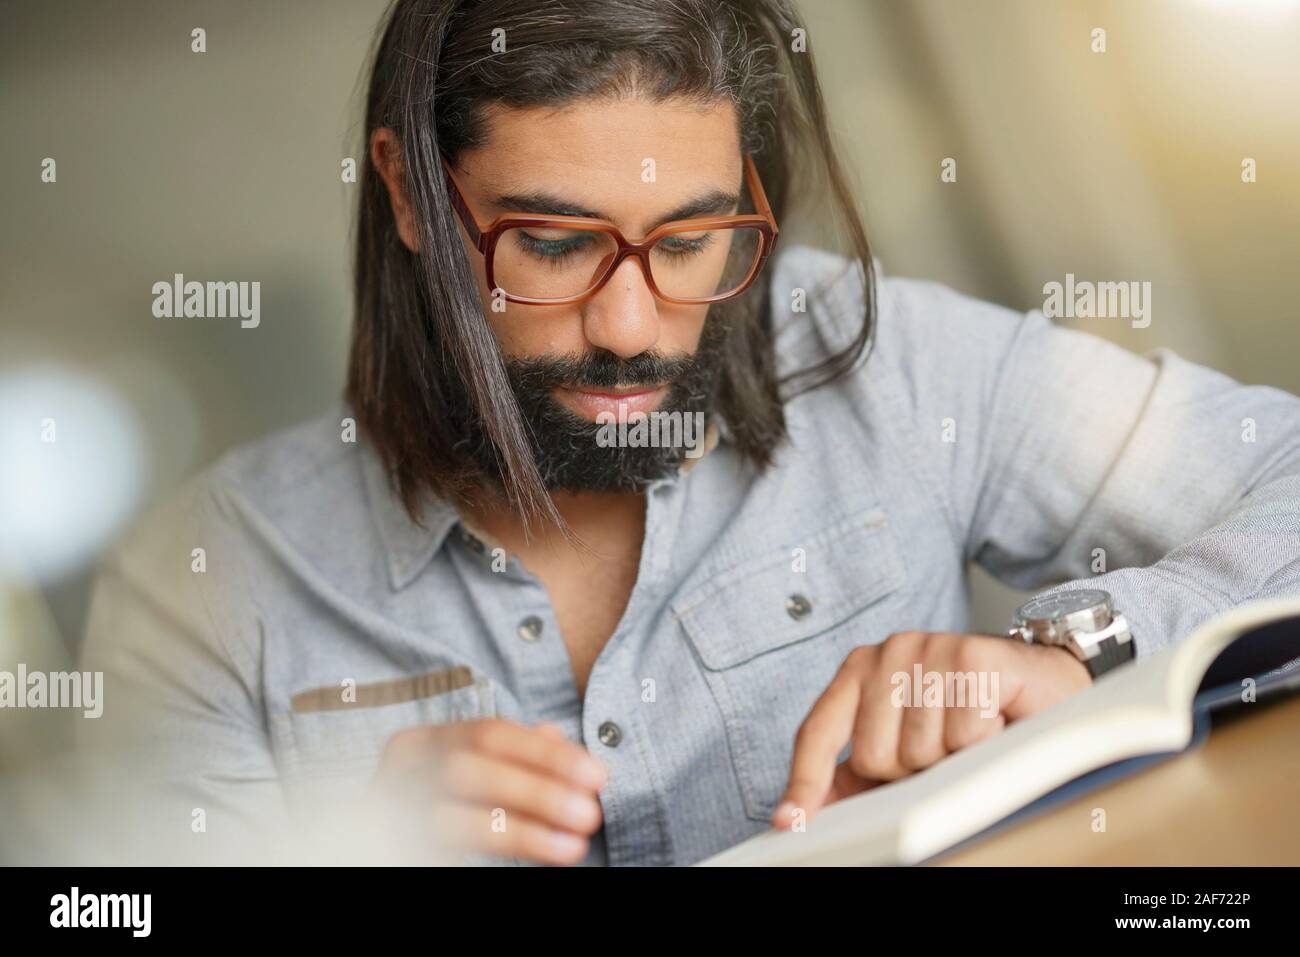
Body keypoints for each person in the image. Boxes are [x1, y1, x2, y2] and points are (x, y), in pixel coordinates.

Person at [80, 0, 1300, 866]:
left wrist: (1070, 651)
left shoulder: (883, 359)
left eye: (688, 241)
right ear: (406, 192)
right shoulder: (204, 582)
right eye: (550, 244)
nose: (628, 326)